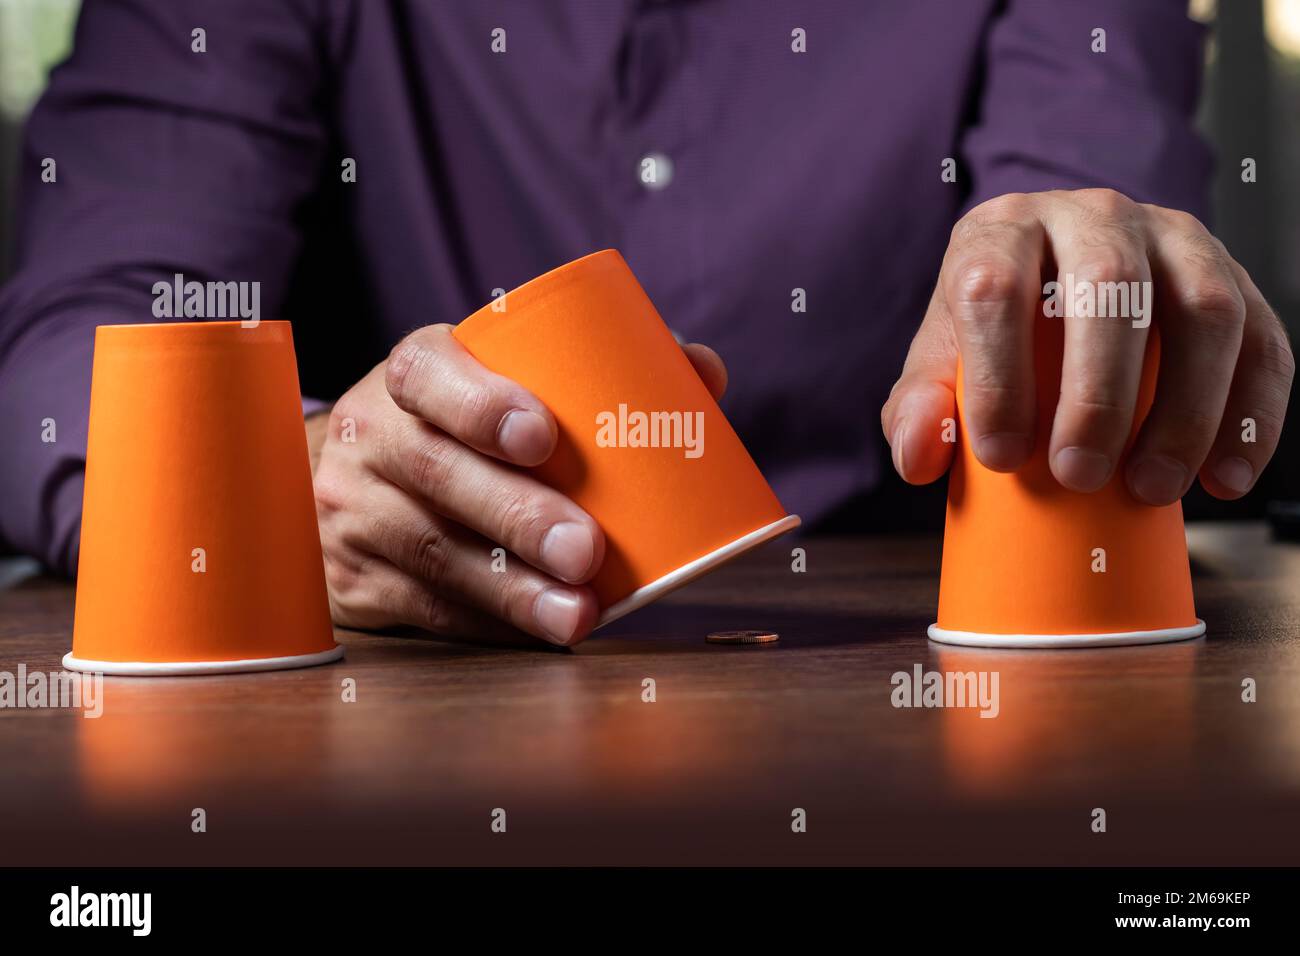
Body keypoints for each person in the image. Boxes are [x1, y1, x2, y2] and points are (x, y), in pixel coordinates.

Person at [0, 1, 1292, 648]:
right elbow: (82, 339)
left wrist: (1119, 277)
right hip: (417, 709)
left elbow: (1096, 241)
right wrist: (286, 479)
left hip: (938, 693)